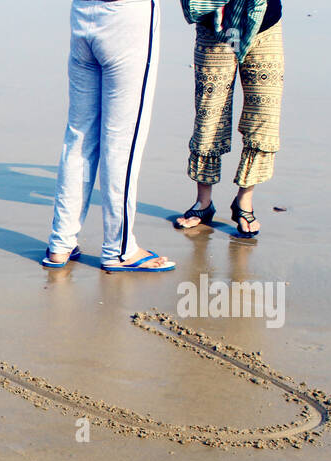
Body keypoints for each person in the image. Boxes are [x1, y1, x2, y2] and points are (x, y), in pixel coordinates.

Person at [44, 0, 175, 273]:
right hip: (126, 17)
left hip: (83, 13)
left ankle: (60, 243)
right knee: (121, 143)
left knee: (79, 136)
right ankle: (120, 249)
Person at [173, 0, 284, 237]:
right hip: (214, 27)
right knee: (209, 116)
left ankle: (245, 200)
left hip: (264, 23)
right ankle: (203, 203)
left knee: (263, 114)